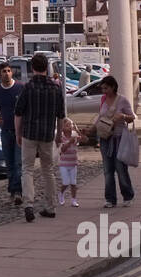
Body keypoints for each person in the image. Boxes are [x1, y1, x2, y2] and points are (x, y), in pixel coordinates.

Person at [14, 52, 65, 222]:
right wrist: (59, 135)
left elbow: (18, 113)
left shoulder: (28, 87)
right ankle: (51, 207)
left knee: (27, 169)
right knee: (48, 170)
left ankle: (28, 204)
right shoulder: (56, 88)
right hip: (47, 134)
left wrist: (18, 133)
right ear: (47, 68)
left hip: (29, 133)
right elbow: (61, 115)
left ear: (32, 68)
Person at [0, 63, 25, 207]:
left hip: (20, 131)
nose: (7, 73)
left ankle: (18, 192)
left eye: (9, 71)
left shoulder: (20, 88)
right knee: (9, 163)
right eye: (4, 71)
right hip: (6, 131)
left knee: (18, 163)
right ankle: (12, 191)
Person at [96, 75, 136, 208]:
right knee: (108, 170)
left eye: (106, 88)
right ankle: (110, 199)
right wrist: (90, 130)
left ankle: (128, 195)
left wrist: (123, 116)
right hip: (105, 138)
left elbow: (132, 117)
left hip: (119, 138)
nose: (104, 91)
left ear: (113, 87)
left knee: (120, 168)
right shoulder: (103, 99)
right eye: (102, 88)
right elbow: (100, 118)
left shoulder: (122, 100)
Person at [55, 117, 87, 207]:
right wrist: (69, 142)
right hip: (64, 164)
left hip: (73, 164)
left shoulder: (74, 136)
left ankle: (74, 200)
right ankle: (61, 193)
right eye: (67, 125)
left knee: (73, 182)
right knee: (65, 182)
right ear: (62, 128)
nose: (70, 127)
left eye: (71, 125)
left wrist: (81, 133)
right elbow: (62, 150)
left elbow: (85, 140)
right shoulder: (61, 137)